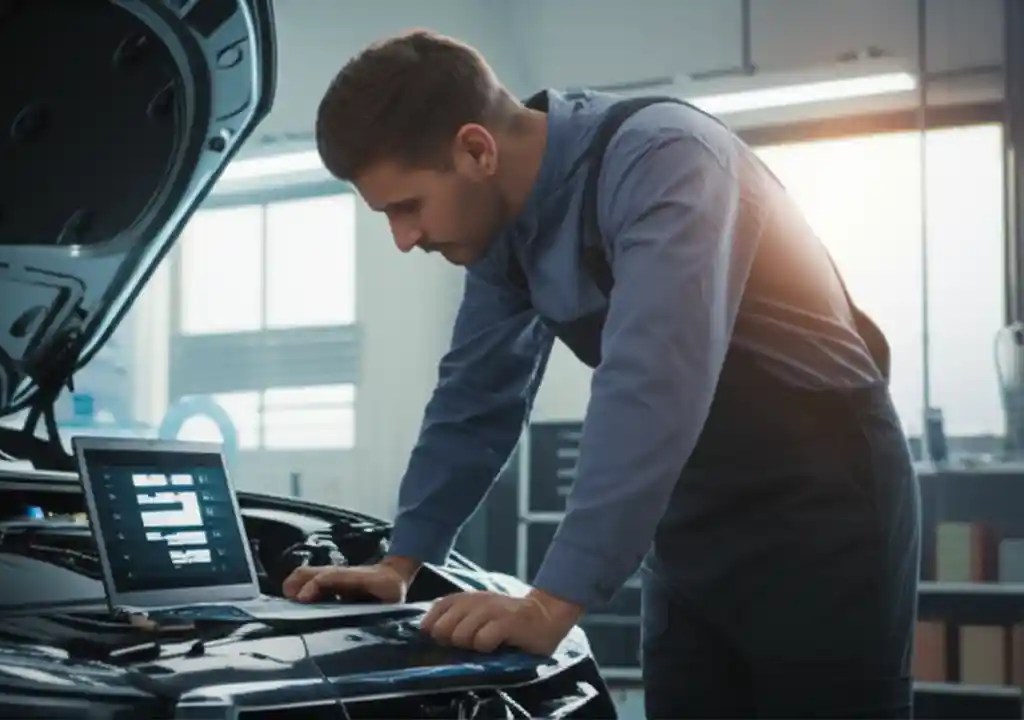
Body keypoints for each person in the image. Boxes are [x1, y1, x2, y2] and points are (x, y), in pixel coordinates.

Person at [282, 28, 920, 719]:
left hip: (824, 498)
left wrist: (550, 603)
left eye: (406, 207)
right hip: (693, 507)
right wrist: (400, 562)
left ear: (476, 149)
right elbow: (474, 399)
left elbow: (652, 382)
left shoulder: (668, 160)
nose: (404, 240)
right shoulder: (501, 233)